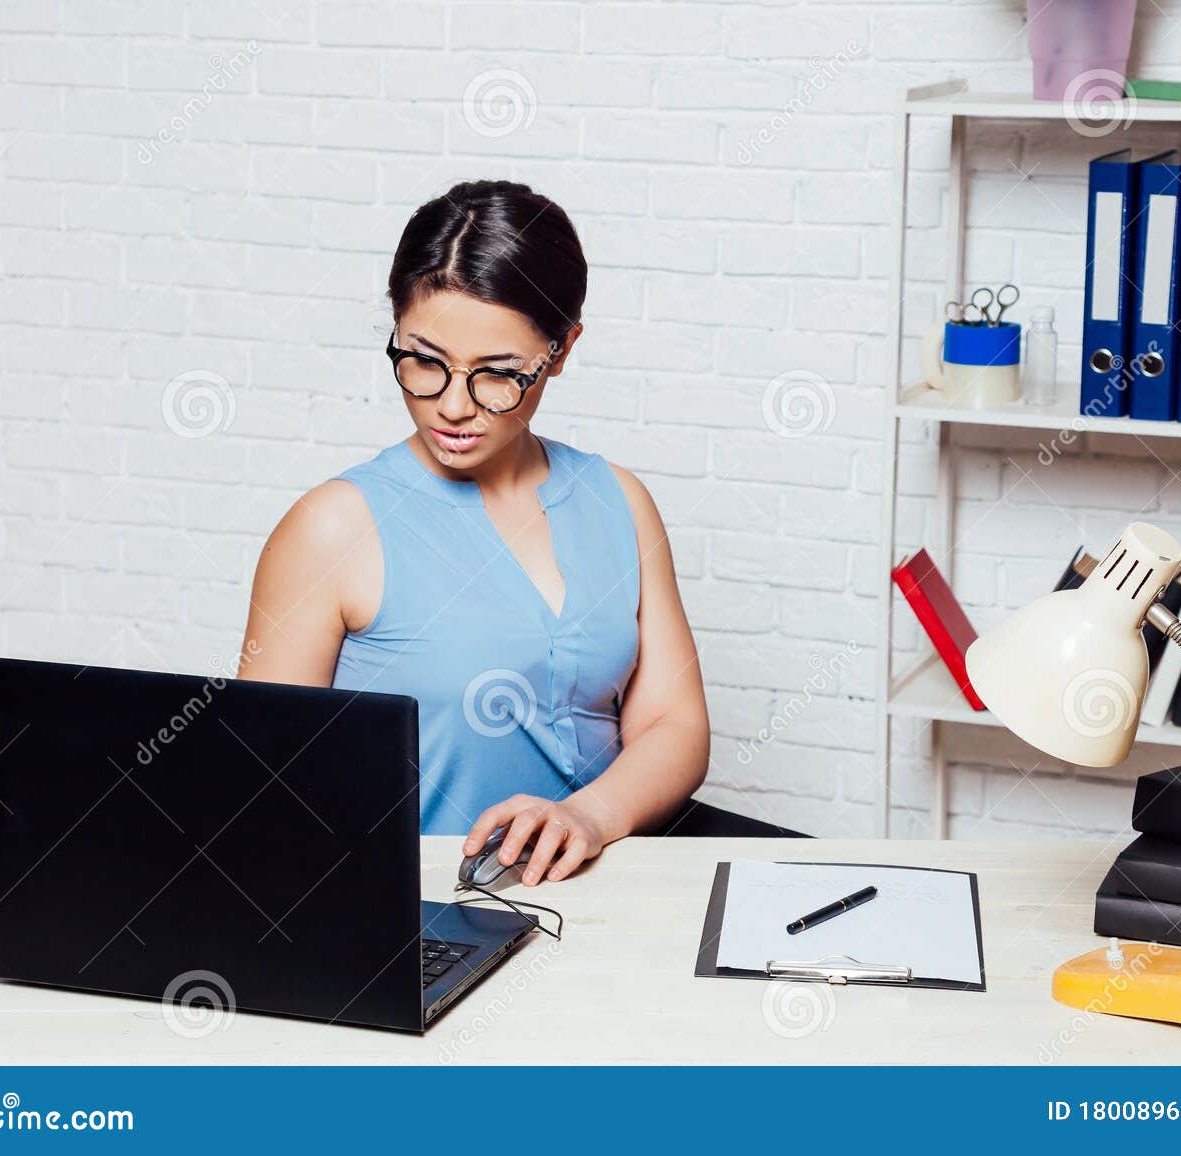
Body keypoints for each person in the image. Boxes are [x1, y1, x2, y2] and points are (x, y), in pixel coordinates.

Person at [240, 179, 799, 889]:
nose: (453, 406)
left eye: (499, 375)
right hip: (420, 914)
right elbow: (267, 784)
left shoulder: (619, 502)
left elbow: (674, 726)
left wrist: (589, 818)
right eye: (424, 360)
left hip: (609, 898)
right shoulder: (332, 528)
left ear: (562, 351)